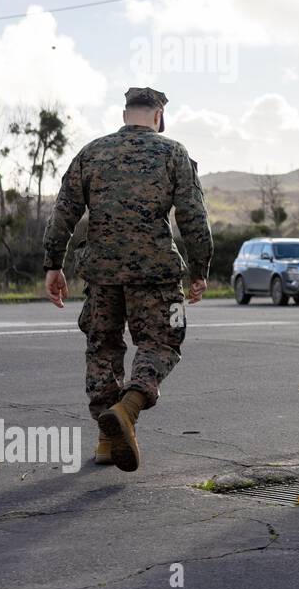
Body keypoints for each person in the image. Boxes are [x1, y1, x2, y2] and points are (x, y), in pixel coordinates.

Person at [42, 87, 212, 473]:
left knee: (103, 348)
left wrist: (53, 265)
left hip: (101, 272)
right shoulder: (173, 153)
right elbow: (193, 217)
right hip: (155, 271)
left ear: (124, 115)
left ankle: (106, 440)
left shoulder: (92, 153)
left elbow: (63, 213)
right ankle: (128, 408)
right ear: (158, 116)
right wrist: (201, 269)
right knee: (162, 342)